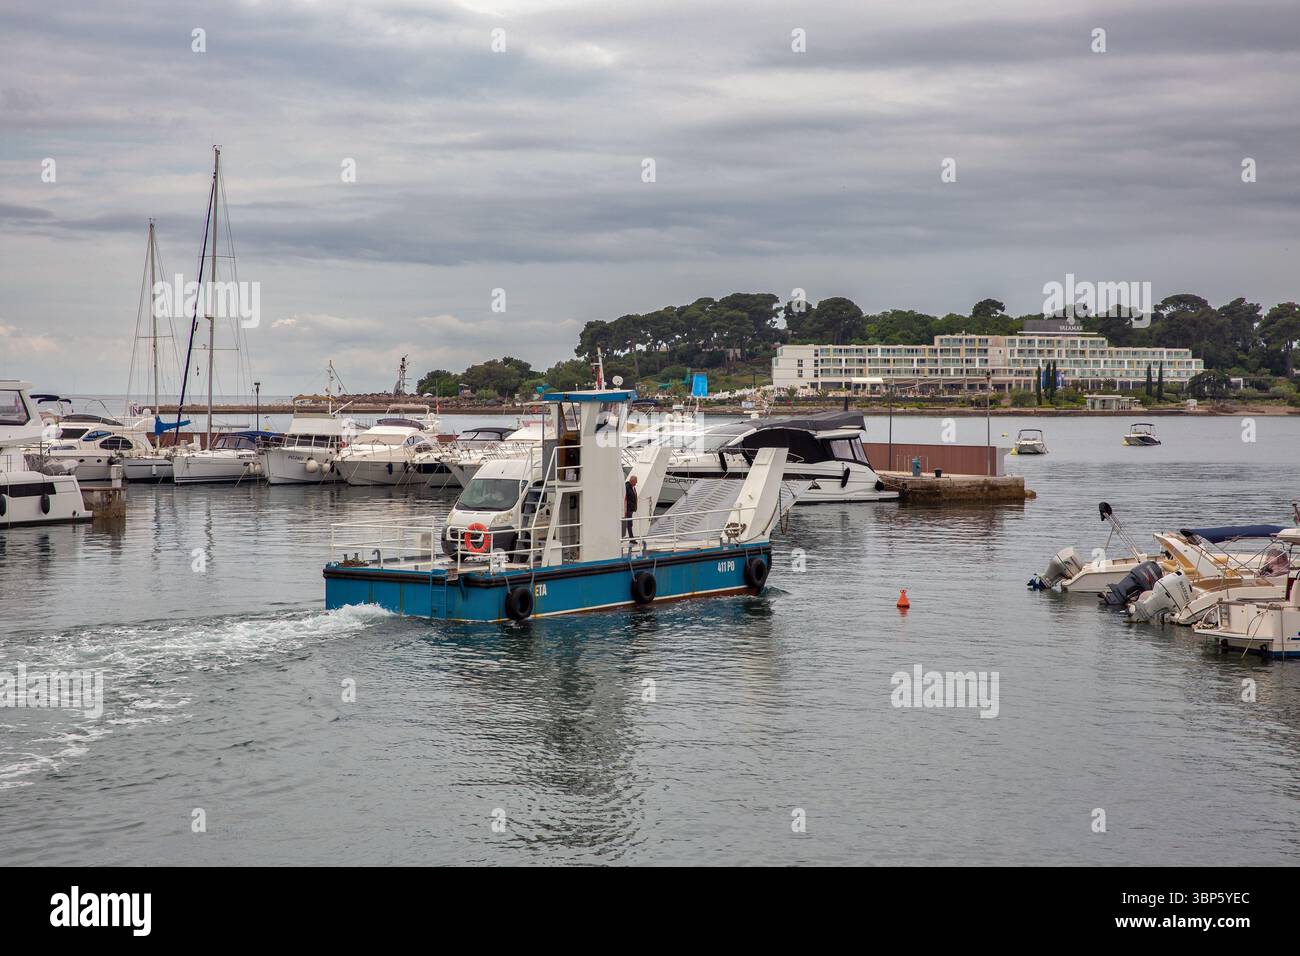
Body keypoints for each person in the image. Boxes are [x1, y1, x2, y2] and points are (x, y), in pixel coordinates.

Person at [623, 474, 638, 543]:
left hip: (631, 509)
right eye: (635, 482)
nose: (636, 483)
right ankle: (631, 539)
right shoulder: (627, 487)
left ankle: (631, 539)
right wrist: (629, 507)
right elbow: (626, 498)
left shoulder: (632, 487)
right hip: (628, 509)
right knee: (629, 524)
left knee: (630, 524)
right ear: (632, 481)